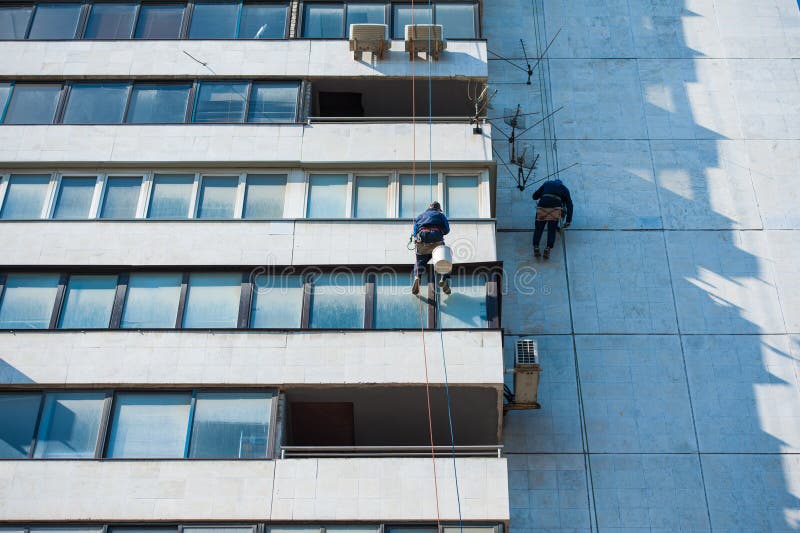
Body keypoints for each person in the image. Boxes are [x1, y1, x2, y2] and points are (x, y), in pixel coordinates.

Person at [411, 201, 451, 295]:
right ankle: (443, 278)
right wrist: (441, 231)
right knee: (443, 256)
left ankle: (417, 276)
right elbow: (447, 229)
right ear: (438, 209)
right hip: (436, 237)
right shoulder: (440, 215)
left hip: (423, 238)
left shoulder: (420, 216)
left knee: (420, 259)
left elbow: (415, 231)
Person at [531, 178, 573, 259]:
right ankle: (548, 248)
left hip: (543, 203)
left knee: (539, 228)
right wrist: (568, 220)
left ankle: (536, 246)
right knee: (552, 229)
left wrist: (540, 195)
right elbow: (569, 205)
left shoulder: (547, 183)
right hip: (555, 206)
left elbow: (534, 196)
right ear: (561, 184)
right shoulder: (564, 189)